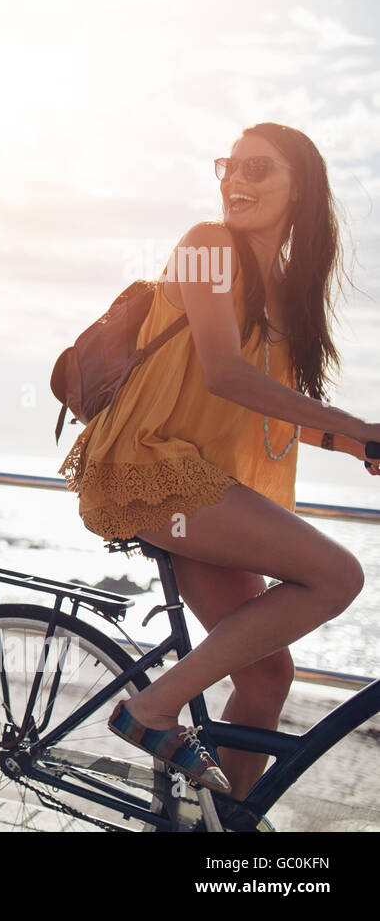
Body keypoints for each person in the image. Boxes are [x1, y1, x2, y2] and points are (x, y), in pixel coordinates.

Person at [59, 122, 380, 799]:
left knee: (266, 677)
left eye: (258, 169)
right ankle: (149, 710)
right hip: (145, 466)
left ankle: (226, 827)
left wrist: (362, 443)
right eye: (229, 166)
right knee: (337, 575)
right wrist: (352, 424)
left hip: (206, 486)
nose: (236, 181)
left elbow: (274, 410)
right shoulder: (207, 246)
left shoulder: (289, 290)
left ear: (302, 188)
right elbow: (225, 374)